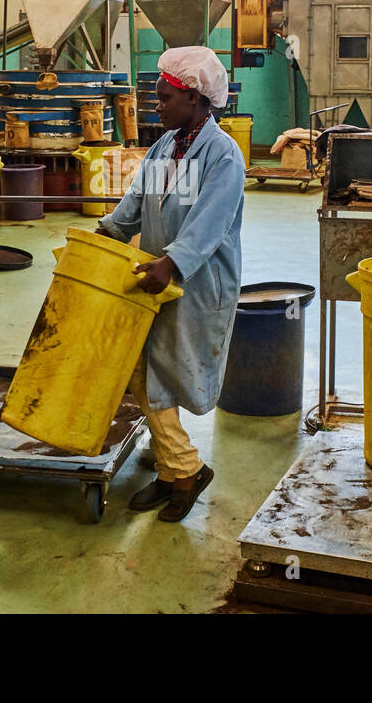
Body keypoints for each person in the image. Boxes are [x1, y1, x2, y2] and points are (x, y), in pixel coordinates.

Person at [96, 45, 244, 522]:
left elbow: (209, 222)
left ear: (197, 99)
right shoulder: (165, 147)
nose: (154, 107)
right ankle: (177, 470)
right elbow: (137, 201)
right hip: (156, 281)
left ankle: (182, 471)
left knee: (169, 373)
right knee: (147, 373)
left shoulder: (223, 156)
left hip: (196, 284)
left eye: (163, 100)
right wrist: (105, 233)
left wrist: (172, 263)